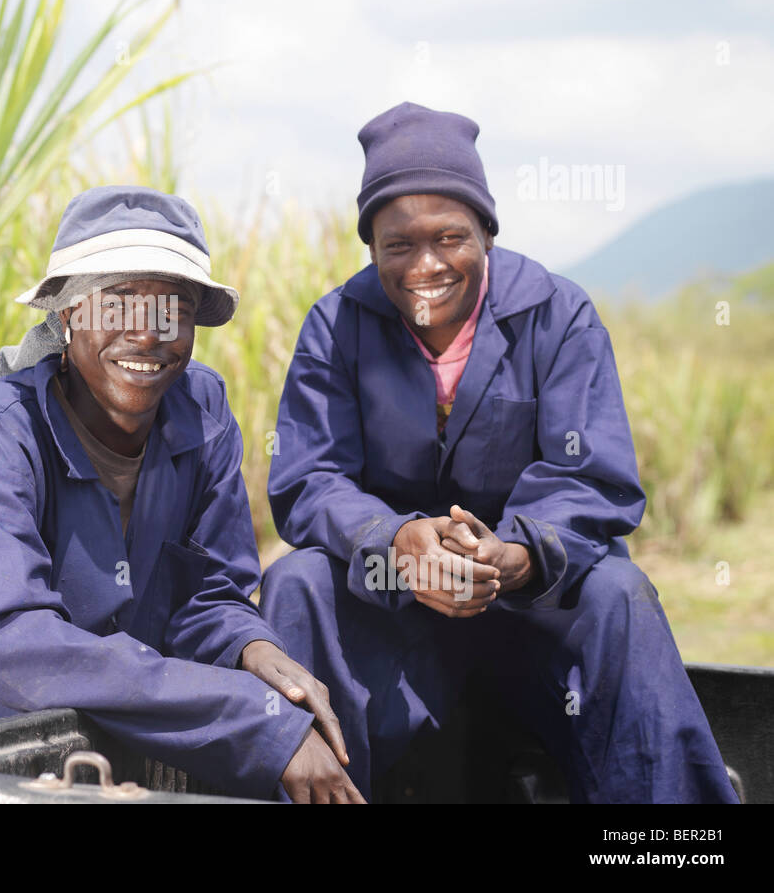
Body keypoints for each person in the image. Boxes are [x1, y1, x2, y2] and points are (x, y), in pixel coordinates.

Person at [260, 102, 738, 803]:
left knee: (618, 593)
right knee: (296, 579)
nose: (425, 265)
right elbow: (309, 479)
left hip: (530, 603)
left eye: (450, 236)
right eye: (398, 244)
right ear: (370, 246)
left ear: (486, 231)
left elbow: (594, 475)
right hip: (395, 600)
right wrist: (395, 540)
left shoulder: (557, 313)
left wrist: (516, 554)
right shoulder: (337, 326)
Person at [0, 185, 364, 802]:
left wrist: (251, 648)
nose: (147, 335)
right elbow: (17, 651)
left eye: (173, 310)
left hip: (117, 700)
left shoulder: (203, 414)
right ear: (65, 316)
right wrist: (246, 715)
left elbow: (207, 593)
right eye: (116, 305)